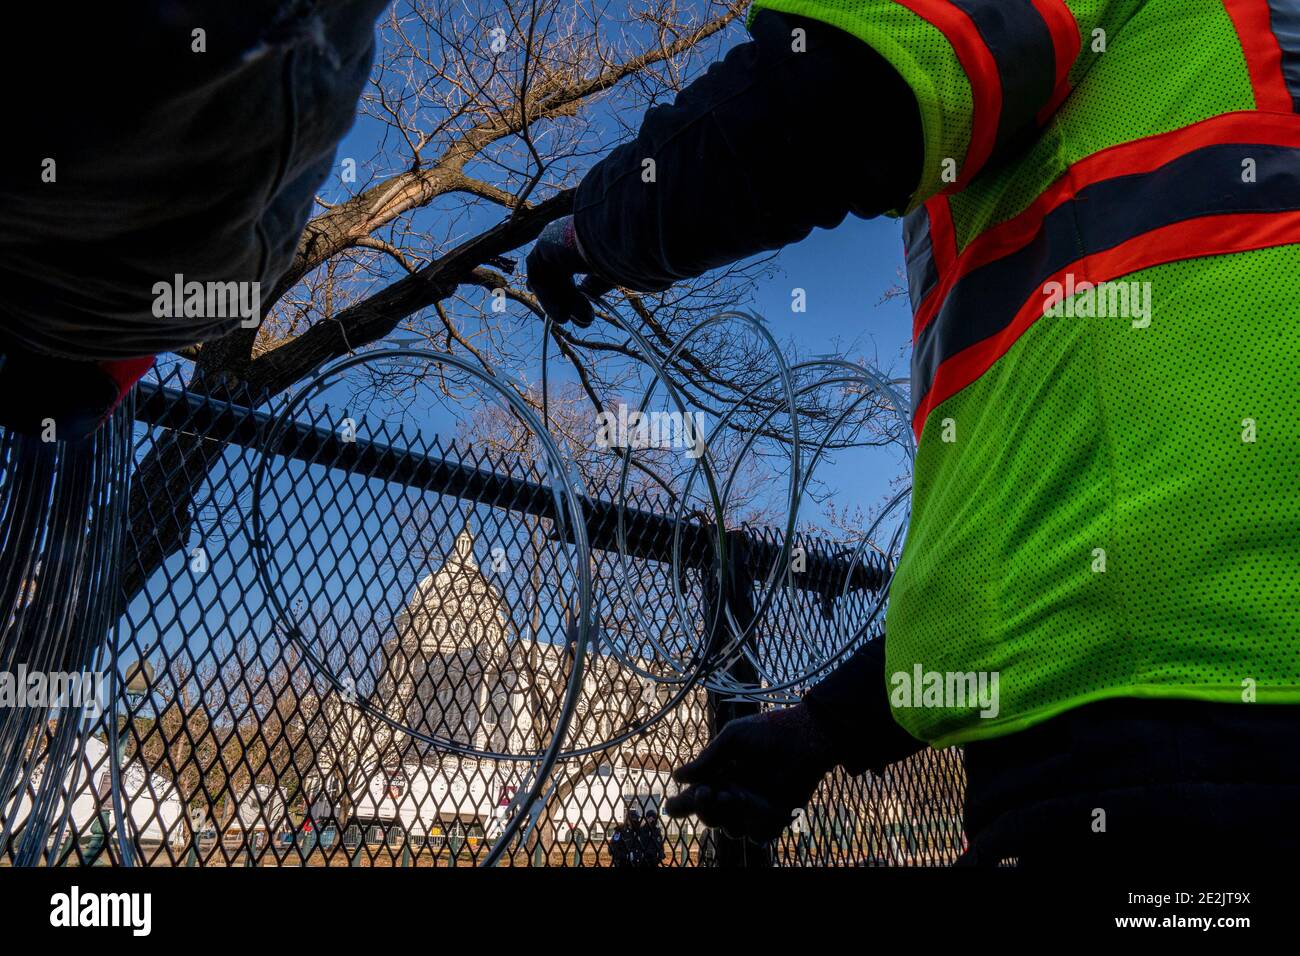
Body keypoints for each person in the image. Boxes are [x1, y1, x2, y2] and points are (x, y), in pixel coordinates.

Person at [526, 1, 1300, 865]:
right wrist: (826, 728)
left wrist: (595, 229)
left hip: (1170, 727)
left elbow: (843, 87)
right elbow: (1099, 510)